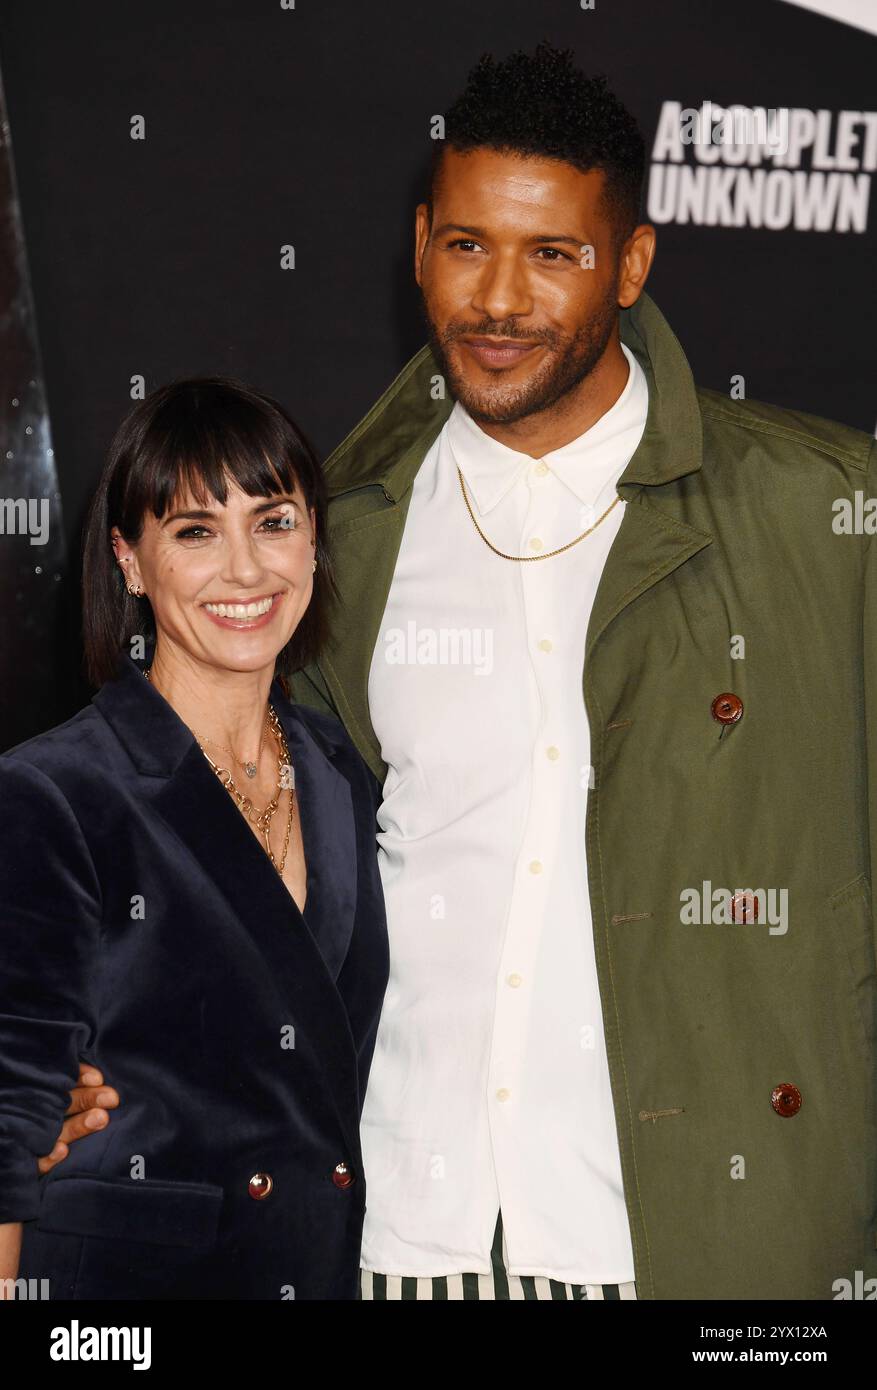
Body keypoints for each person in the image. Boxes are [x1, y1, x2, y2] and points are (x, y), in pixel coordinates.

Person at [58, 43, 877, 1300]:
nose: (499, 299)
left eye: (553, 254)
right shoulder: (340, 537)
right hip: (402, 1244)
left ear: (634, 263)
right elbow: (216, 848)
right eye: (466, 246)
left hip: (703, 1256)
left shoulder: (824, 515)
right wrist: (80, 1044)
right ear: (421, 239)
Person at [0, 376, 389, 1299]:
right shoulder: (53, 793)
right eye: (195, 531)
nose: (246, 570)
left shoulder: (341, 772)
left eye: (275, 520)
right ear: (131, 561)